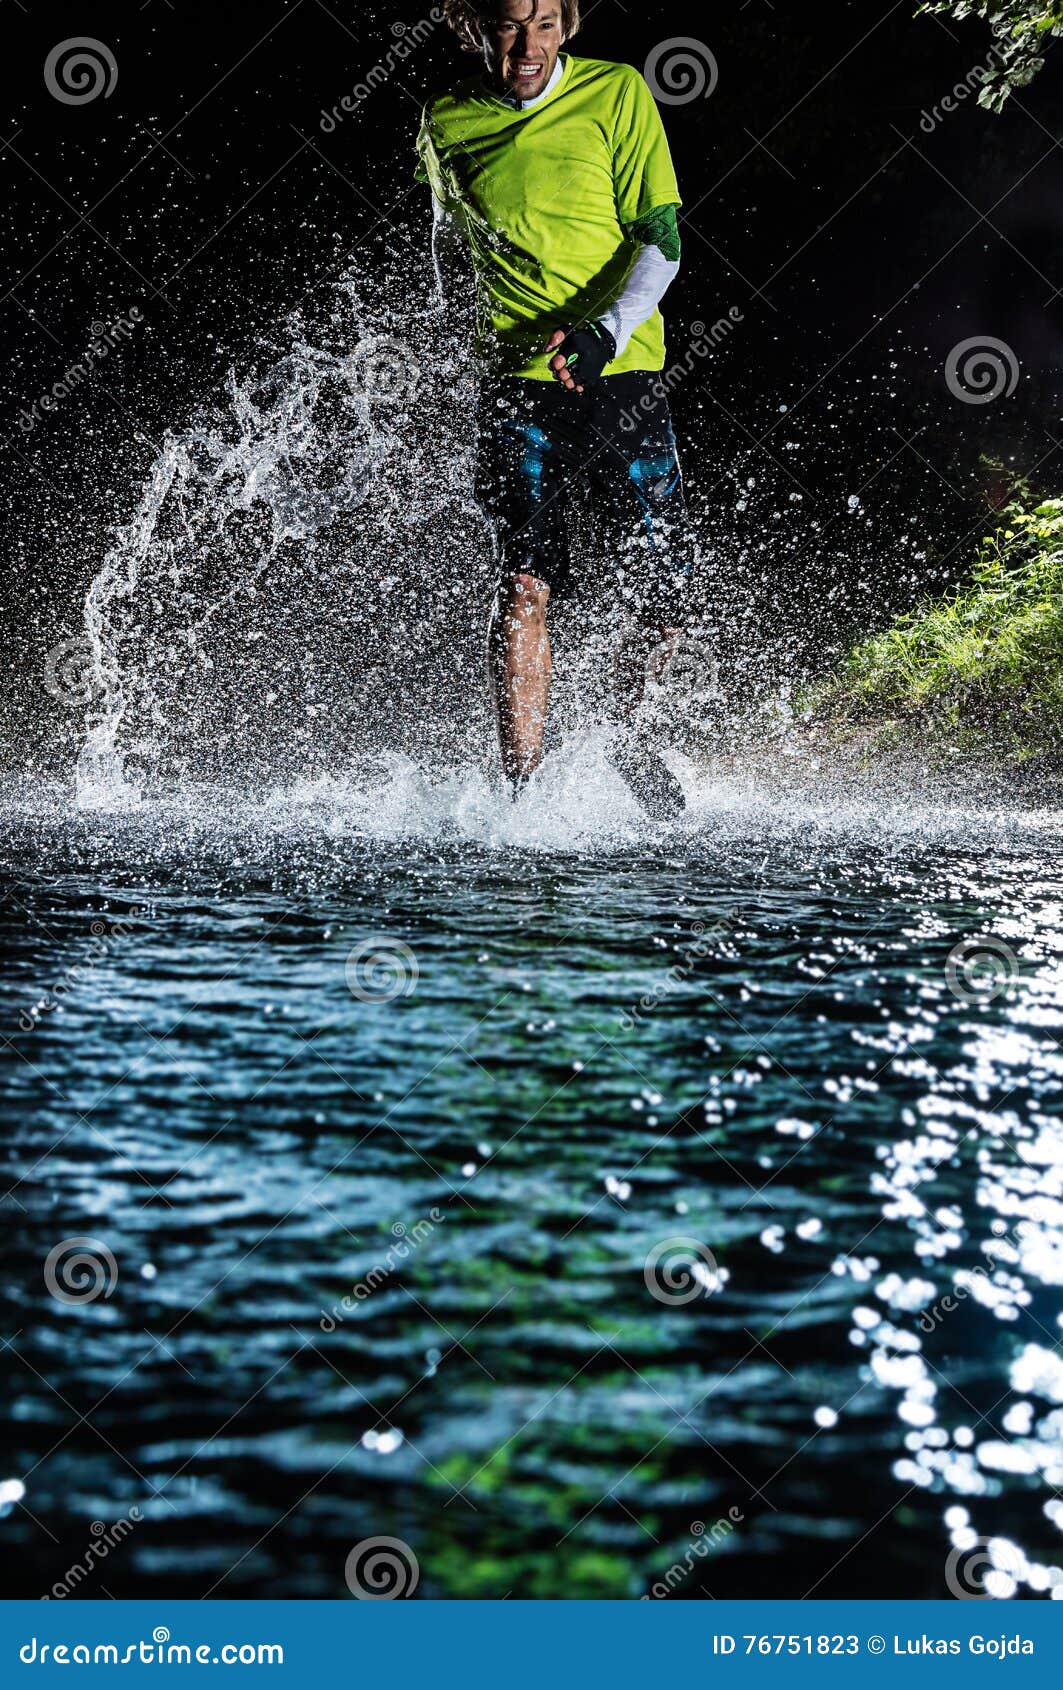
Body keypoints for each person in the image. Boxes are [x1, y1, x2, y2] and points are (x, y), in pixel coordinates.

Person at [416, 0, 693, 816]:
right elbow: (446, 243)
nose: (526, 46)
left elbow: (664, 239)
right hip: (517, 382)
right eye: (508, 25)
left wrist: (604, 333)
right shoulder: (444, 119)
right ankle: (522, 792)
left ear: (566, 25)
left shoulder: (616, 93)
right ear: (476, 28)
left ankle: (630, 740)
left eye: (543, 24)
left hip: (624, 369)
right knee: (525, 582)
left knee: (665, 587)